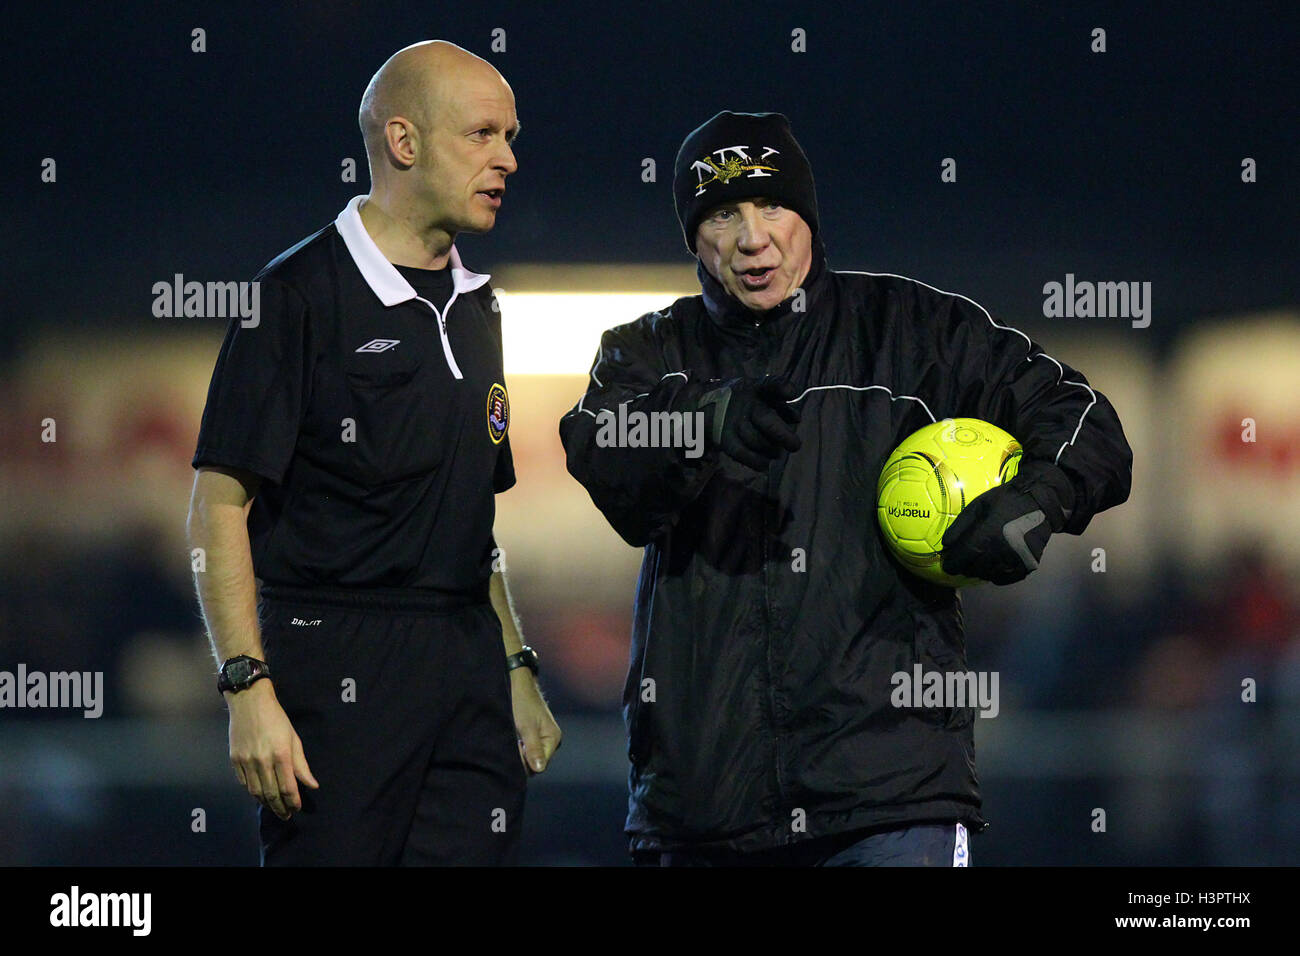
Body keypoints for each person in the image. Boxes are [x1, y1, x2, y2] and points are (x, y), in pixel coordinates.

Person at [559, 110, 1132, 866]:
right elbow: (601, 446)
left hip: (892, 800)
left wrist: (1036, 503)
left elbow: (1088, 424)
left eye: (773, 206)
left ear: (809, 214)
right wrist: (707, 418)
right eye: (722, 213)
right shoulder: (647, 352)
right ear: (692, 236)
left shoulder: (916, 330)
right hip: (702, 808)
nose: (752, 237)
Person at [186, 40, 560, 866]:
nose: (508, 159)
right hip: (335, 659)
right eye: (484, 135)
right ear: (403, 142)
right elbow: (218, 506)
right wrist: (247, 688)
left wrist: (514, 668)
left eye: (511, 136)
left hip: (465, 666)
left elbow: (474, 522)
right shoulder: (293, 296)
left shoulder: (479, 305)